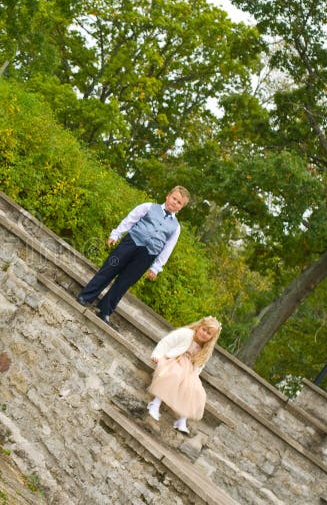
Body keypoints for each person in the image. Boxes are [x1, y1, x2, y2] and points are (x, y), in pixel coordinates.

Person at [76, 186, 190, 322]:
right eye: (174, 198)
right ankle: (86, 296)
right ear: (168, 196)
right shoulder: (148, 207)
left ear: (181, 207)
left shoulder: (175, 227)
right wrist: (116, 234)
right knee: (109, 269)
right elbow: (130, 220)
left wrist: (156, 267)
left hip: (147, 255)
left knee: (125, 282)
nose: (174, 203)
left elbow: (168, 248)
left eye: (179, 202)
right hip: (130, 244)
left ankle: (105, 310)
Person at [146, 316, 221, 434]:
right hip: (174, 360)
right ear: (199, 326)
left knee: (195, 389)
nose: (205, 334)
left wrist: (193, 376)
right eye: (204, 329)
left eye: (209, 333)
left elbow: (199, 366)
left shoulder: (206, 350)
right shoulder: (186, 334)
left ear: (212, 337)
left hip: (189, 369)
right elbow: (166, 342)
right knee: (174, 375)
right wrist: (157, 354)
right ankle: (155, 403)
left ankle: (182, 419)